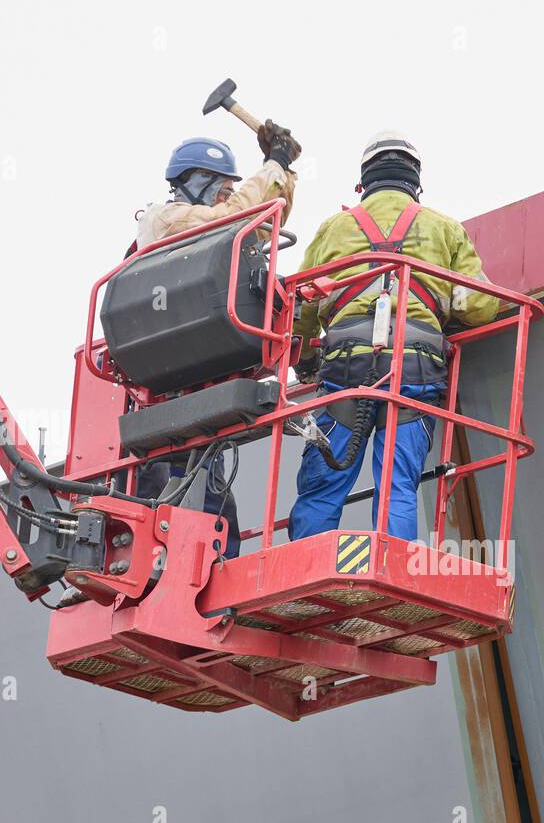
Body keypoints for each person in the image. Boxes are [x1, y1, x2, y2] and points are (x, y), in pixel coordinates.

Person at [288, 130, 499, 543]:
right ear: (416, 184)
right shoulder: (444, 229)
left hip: (344, 372)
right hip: (416, 369)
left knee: (323, 486)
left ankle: (307, 570)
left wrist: (306, 360)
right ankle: (391, 567)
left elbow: (302, 309)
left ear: (363, 184)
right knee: (398, 486)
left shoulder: (332, 229)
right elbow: (481, 306)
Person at [134, 126, 301, 557]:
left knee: (213, 503)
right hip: (165, 386)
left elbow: (265, 219)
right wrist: (272, 166)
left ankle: (212, 583)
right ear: (196, 182)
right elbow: (233, 221)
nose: (229, 197)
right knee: (163, 496)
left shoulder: (210, 235)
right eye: (224, 189)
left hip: (197, 379)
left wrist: (284, 171)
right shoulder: (165, 217)